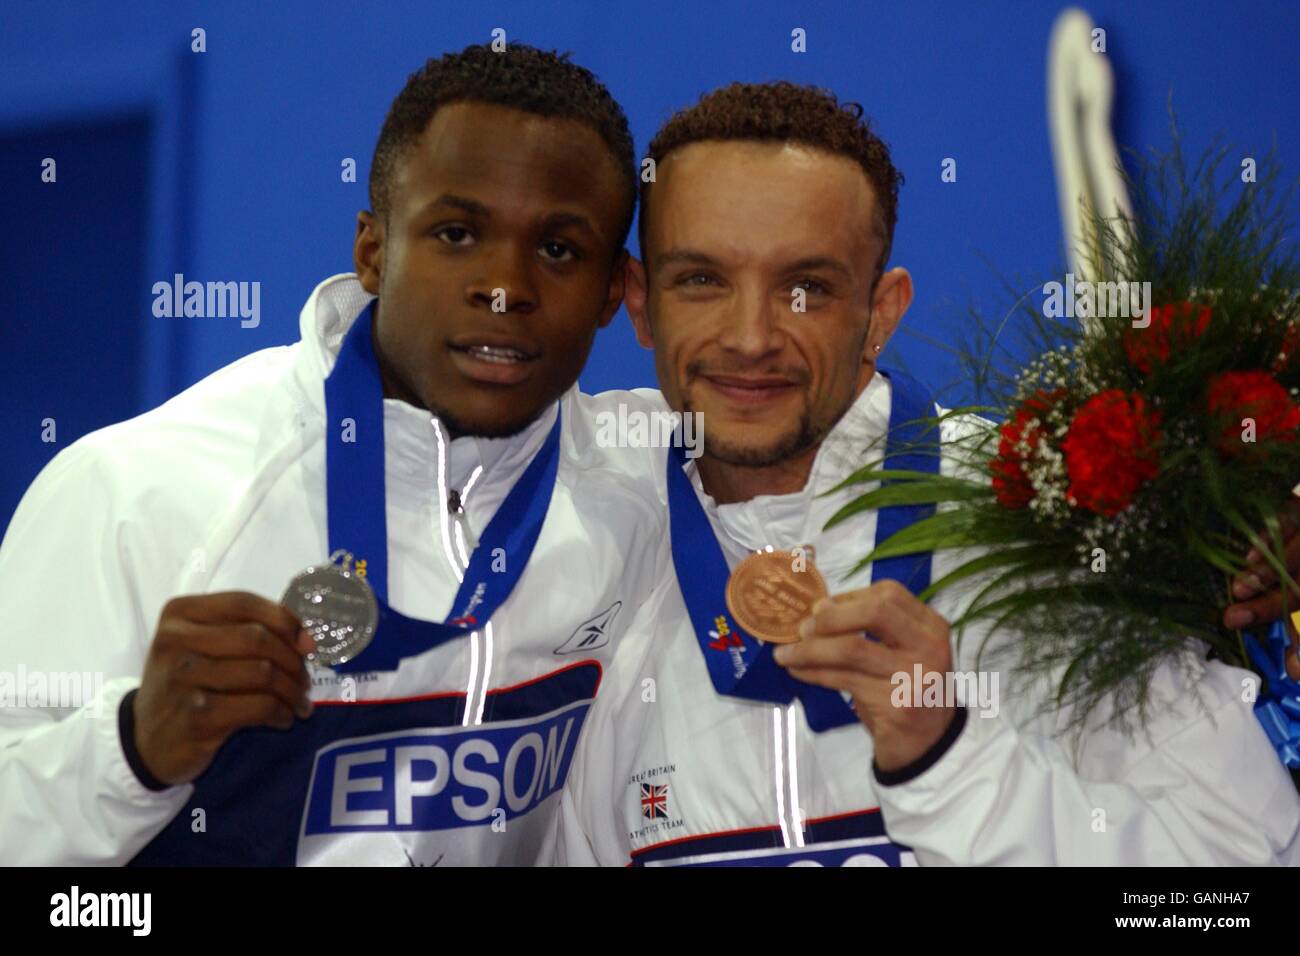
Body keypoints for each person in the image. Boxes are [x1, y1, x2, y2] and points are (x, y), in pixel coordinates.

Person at [546, 81, 1300, 866]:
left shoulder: (1045, 538)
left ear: (881, 312)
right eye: (701, 279)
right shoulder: (597, 556)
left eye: (807, 288)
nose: (749, 337)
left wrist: (951, 763)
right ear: (640, 303)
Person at [0, 43, 666, 865]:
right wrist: (133, 749)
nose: (505, 287)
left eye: (559, 249)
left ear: (612, 291)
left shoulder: (651, 487)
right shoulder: (134, 493)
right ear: (373, 251)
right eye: (457, 233)